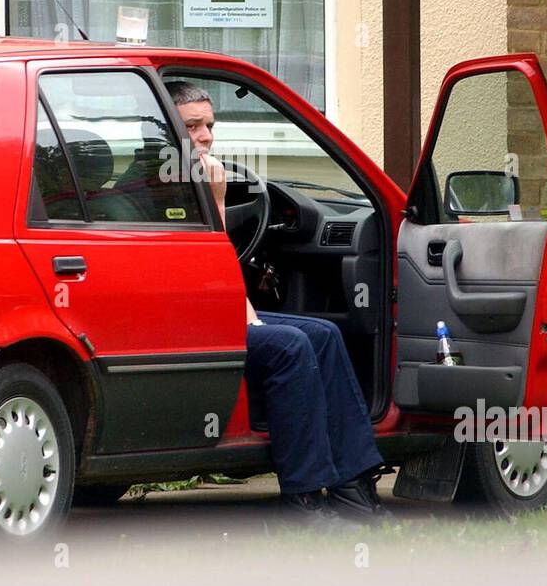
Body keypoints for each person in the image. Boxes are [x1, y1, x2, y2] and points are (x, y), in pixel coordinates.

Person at [164, 80, 389, 524]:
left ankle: (354, 485)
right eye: (192, 127)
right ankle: (304, 498)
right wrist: (245, 317)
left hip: (216, 308)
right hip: (180, 321)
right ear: (167, 128)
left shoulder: (209, 175)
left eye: (209, 125)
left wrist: (245, 312)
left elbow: (221, 259)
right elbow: (205, 266)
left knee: (324, 334)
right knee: (290, 346)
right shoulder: (161, 183)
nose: (206, 136)